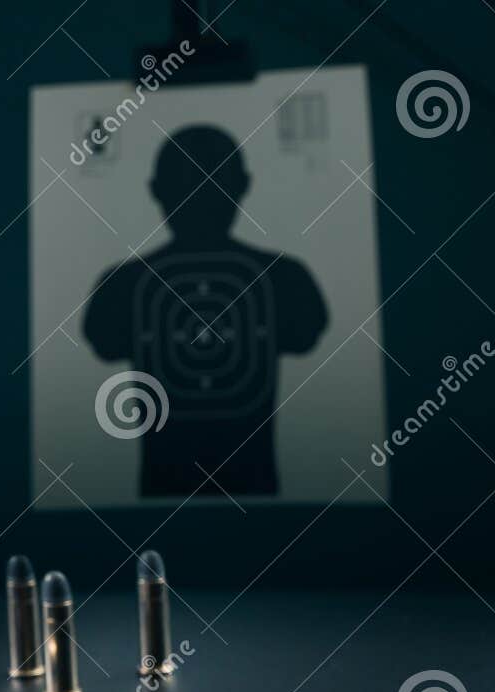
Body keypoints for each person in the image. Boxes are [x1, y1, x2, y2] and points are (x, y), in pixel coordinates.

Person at [85, 124, 327, 497]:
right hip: (252, 493)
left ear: (155, 190)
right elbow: (305, 334)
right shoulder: (285, 279)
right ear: (244, 184)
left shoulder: (122, 284)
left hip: (164, 495)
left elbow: (105, 342)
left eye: (209, 182)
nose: (200, 197)